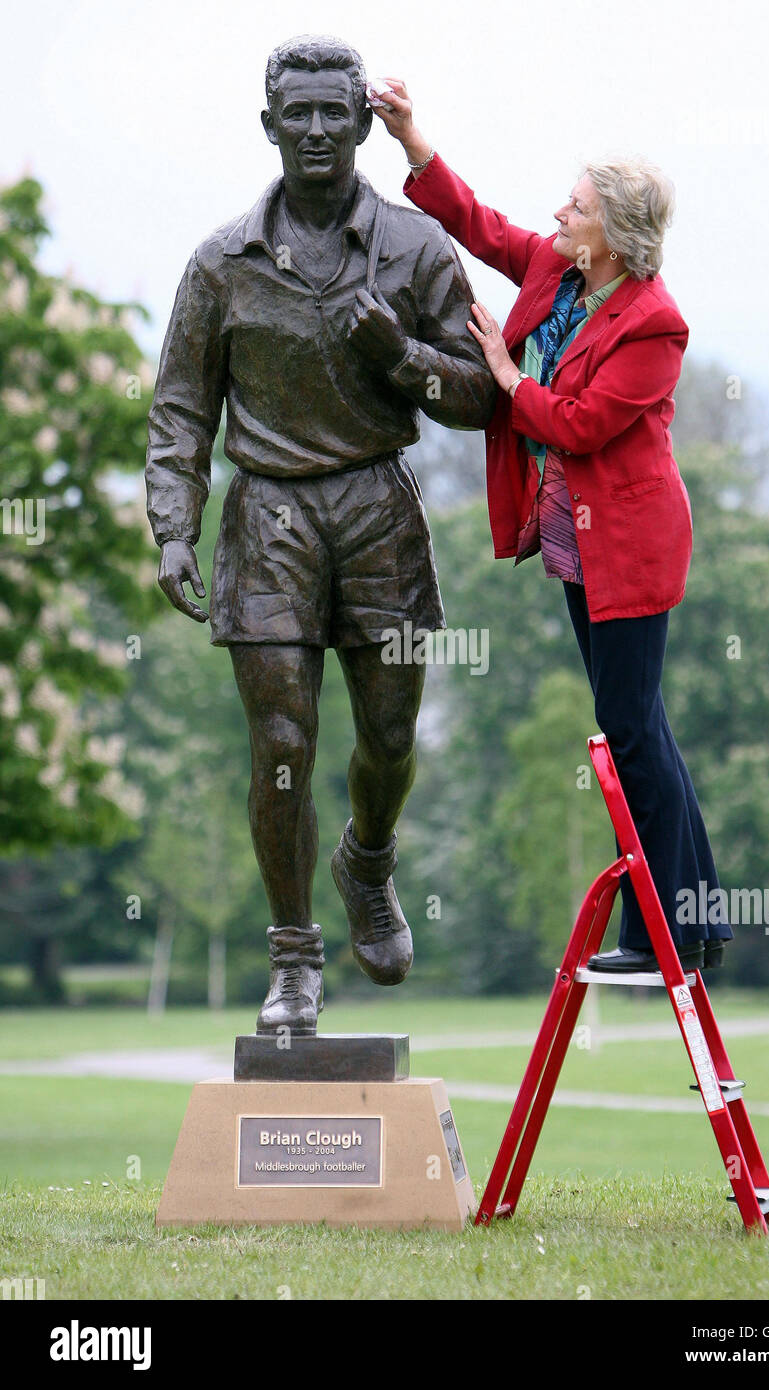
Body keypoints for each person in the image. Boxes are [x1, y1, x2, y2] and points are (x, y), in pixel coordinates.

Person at [144, 37, 496, 1033]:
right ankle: (294, 958)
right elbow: (179, 407)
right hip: (268, 519)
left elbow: (480, 398)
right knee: (284, 741)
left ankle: (369, 861)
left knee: (387, 736)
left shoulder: (417, 249)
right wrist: (174, 526)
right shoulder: (222, 264)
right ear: (269, 126)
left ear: (360, 124)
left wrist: (403, 355)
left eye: (330, 113)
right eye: (293, 114)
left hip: (378, 509)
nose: (312, 131)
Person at [372, 79, 732, 972]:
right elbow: (482, 224)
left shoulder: (656, 326)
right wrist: (413, 138)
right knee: (641, 725)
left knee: (629, 731)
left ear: (614, 231)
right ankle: (698, 917)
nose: (558, 216)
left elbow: (574, 424)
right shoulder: (560, 271)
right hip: (579, 542)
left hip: (632, 550)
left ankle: (659, 937)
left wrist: (503, 371)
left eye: (574, 208)